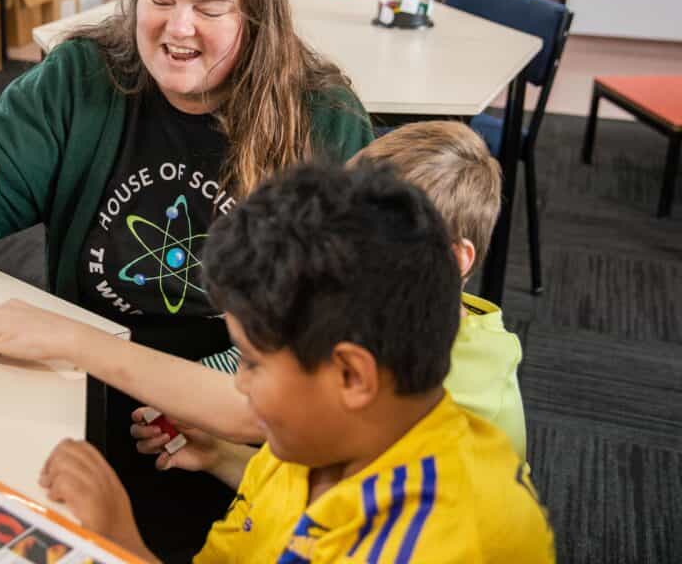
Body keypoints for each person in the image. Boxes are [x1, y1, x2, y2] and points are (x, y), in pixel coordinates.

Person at [0, 0, 372, 557]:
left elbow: (326, 343)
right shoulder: (83, 74)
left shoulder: (323, 120)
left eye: (210, 10)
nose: (177, 28)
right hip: (74, 390)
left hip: (225, 424)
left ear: (258, 19)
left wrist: (199, 387)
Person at [36, 163, 555, 563]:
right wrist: (222, 455)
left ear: (351, 376)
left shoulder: (426, 542)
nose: (239, 382)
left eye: (254, 363)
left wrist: (118, 539)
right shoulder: (345, 430)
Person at [0, 121, 527, 460]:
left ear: (454, 261)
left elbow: (252, 411)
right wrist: (229, 463)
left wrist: (74, 340)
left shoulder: (456, 388)